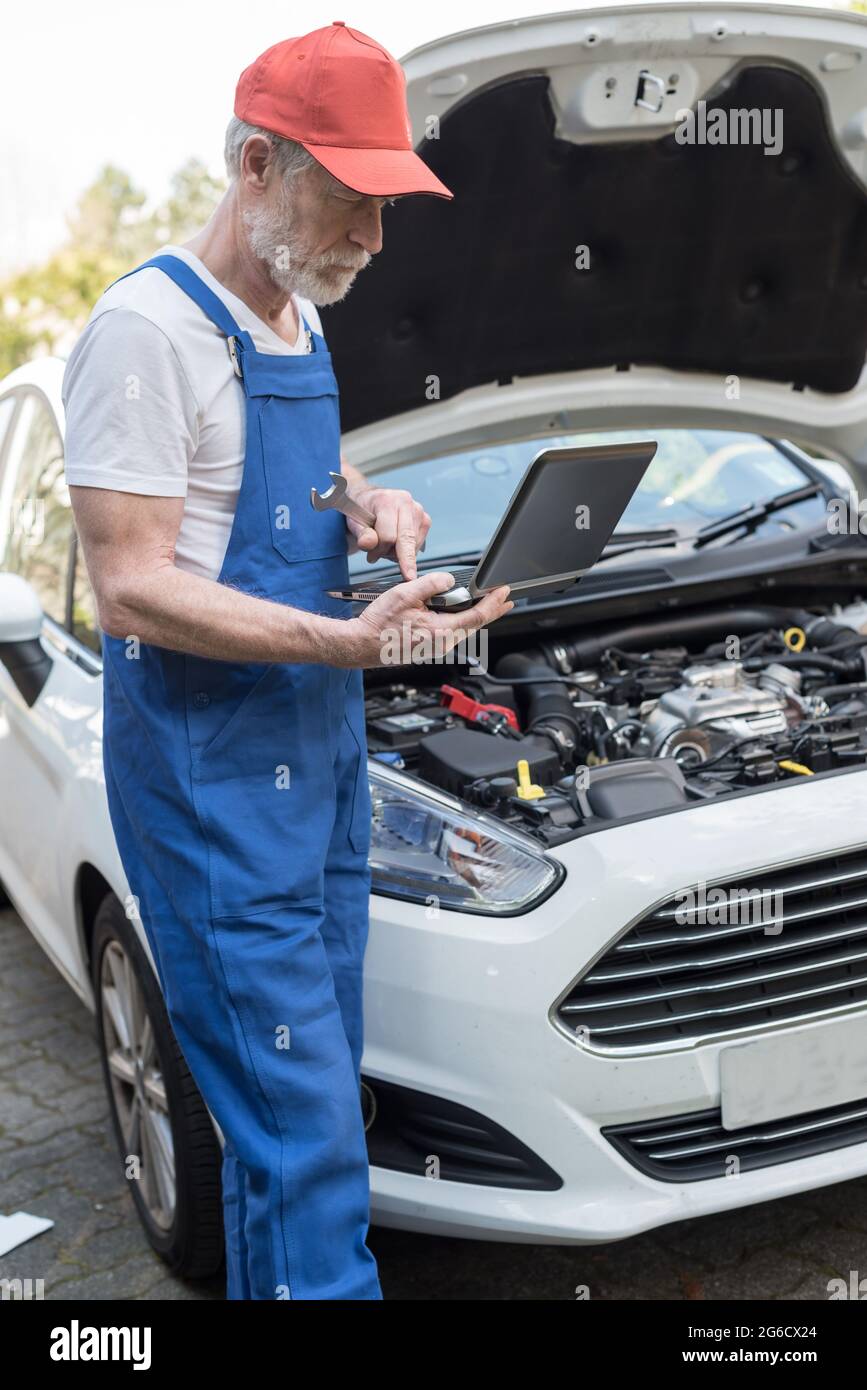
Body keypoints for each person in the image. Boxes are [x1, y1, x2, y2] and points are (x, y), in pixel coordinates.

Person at [63, 22, 512, 1300]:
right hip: (213, 792)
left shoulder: (291, 315)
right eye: (352, 202)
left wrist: (364, 502)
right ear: (256, 165)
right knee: (303, 1143)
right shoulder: (142, 334)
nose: (373, 241)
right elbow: (133, 582)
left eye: (385, 208)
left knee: (303, 1127)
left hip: (314, 777)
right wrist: (354, 641)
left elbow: (268, 484)